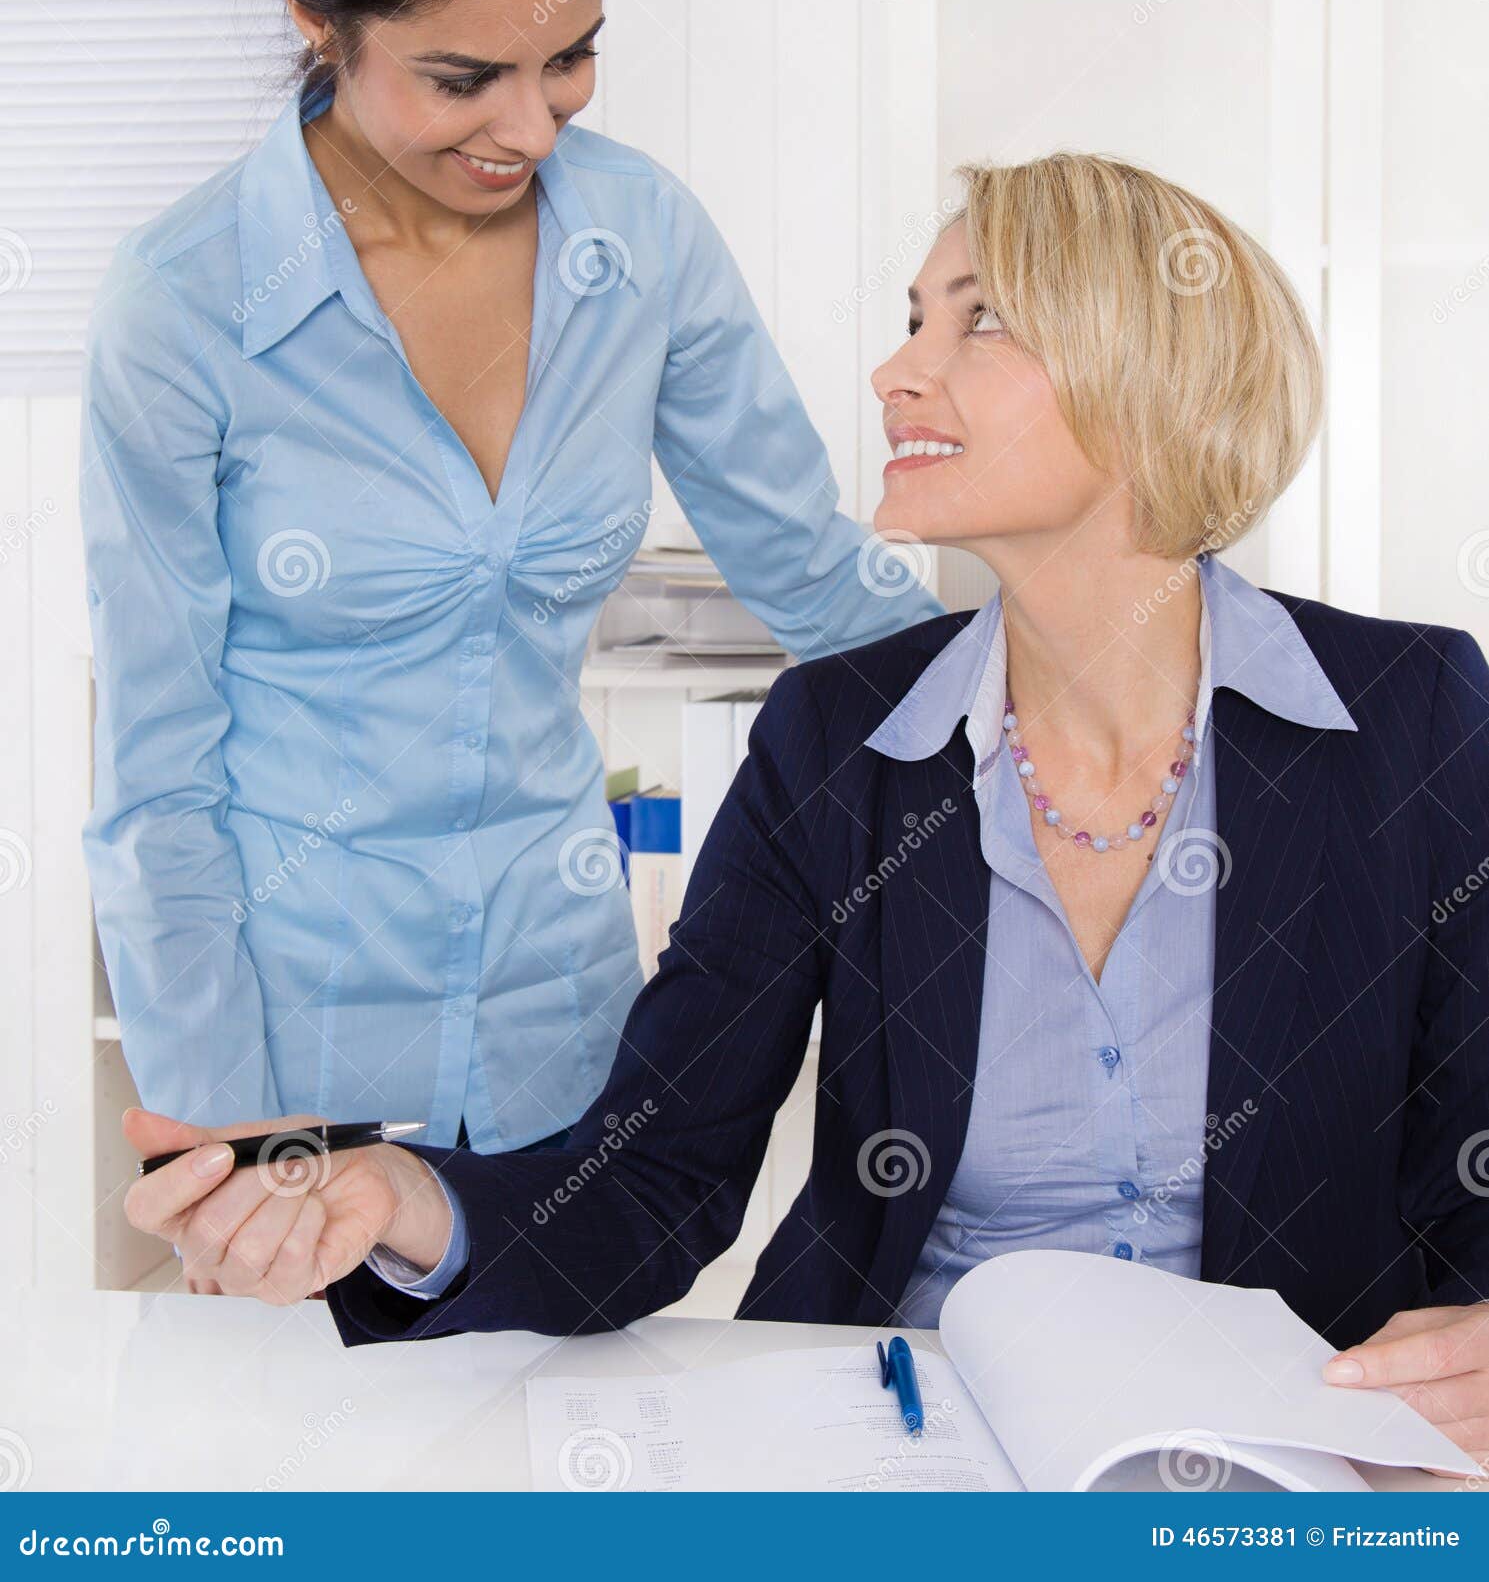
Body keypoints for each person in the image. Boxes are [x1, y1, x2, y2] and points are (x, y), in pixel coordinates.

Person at [123, 152, 1489, 1464]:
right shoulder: (838, 735)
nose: (899, 370)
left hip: (1291, 1447)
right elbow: (660, 1168)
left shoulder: (1412, 710)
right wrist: (406, 1201)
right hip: (903, 1439)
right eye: (909, 322)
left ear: (1153, 375)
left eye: (982, 322)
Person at [79, 0, 941, 1160]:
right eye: (465, 76)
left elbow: (809, 569)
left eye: (570, 59)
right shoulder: (187, 300)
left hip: (563, 1011)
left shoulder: (641, 238)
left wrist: (1063, 689)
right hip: (293, 1038)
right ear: (317, 14)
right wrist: (228, 1137)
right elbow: (156, 767)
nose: (531, 129)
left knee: (573, 1350)